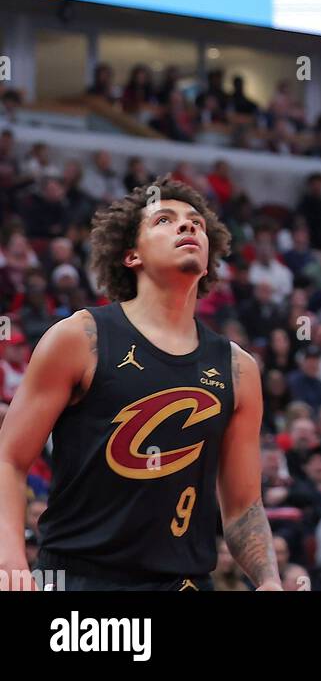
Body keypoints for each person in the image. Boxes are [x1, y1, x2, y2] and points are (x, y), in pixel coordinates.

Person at [0, 176, 280, 591]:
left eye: (197, 223)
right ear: (131, 255)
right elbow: (9, 460)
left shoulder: (238, 368)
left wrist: (269, 581)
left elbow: (243, 506)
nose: (188, 227)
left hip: (184, 582)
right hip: (80, 580)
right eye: (165, 220)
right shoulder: (80, 337)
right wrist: (10, 562)